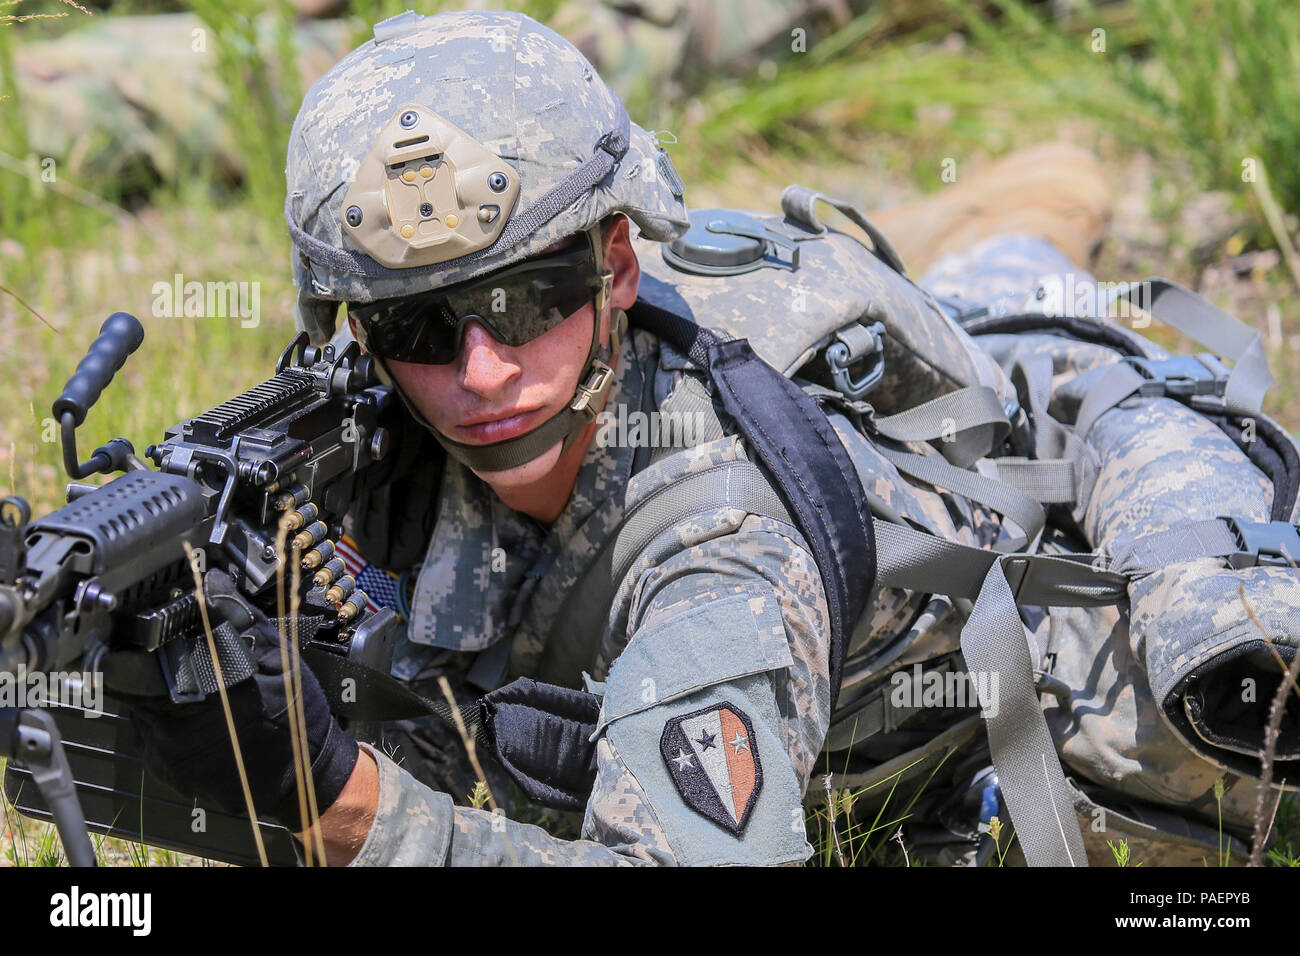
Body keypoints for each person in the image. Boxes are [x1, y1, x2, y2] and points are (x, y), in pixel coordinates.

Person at [130, 8, 1050, 866]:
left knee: (1024, 271)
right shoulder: (372, 429)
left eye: (525, 301)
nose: (482, 371)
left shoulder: (726, 552)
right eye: (420, 327)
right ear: (359, 335)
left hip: (987, 492)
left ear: (614, 268)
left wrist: (342, 806)